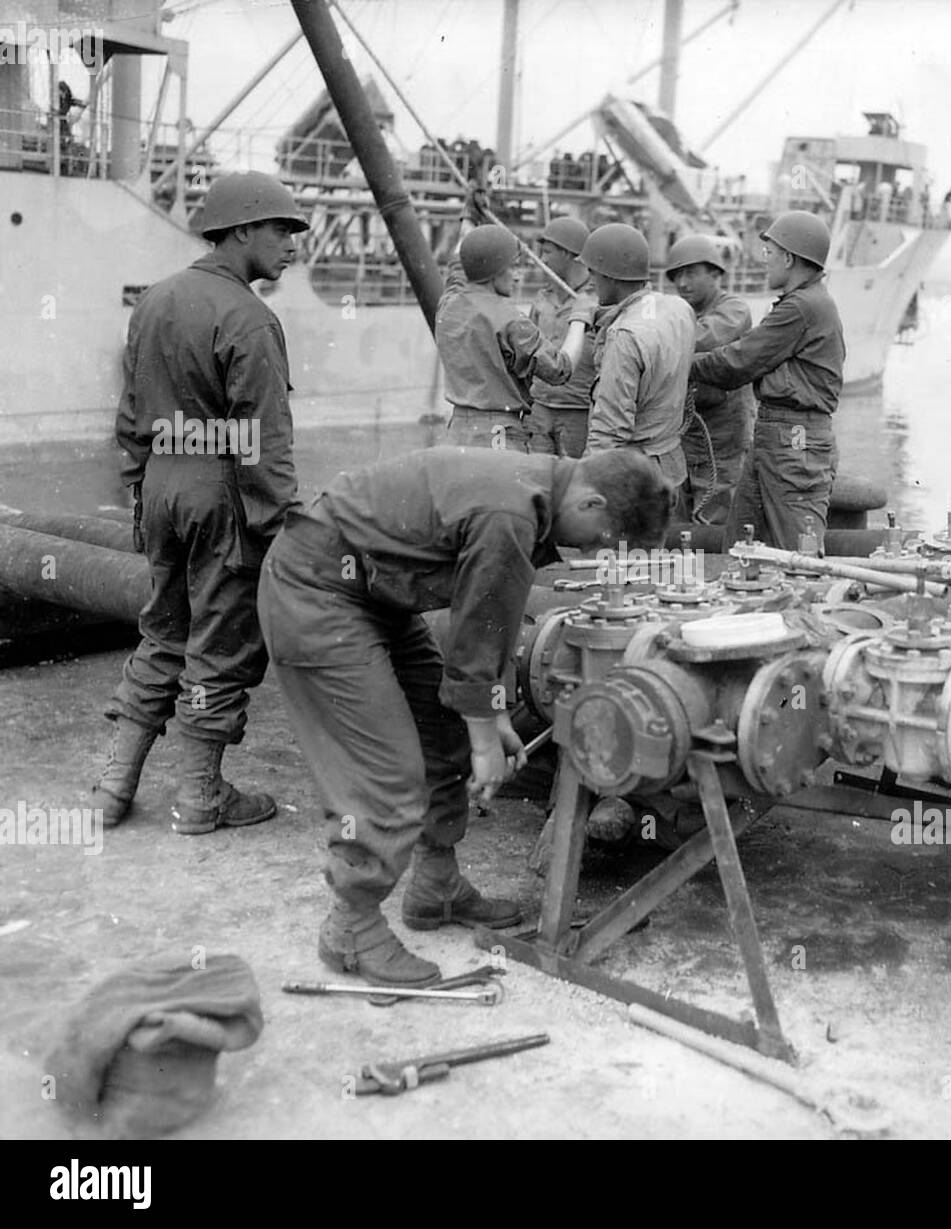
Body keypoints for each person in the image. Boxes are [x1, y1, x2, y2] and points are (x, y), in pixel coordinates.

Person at [256, 447, 674, 987]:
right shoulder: (511, 513)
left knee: (441, 729)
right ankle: (351, 927)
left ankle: (435, 886)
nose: (591, 548)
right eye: (600, 536)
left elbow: (489, 618)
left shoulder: (535, 494)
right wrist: (485, 746)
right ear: (591, 499)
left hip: (372, 592)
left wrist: (490, 717)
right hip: (316, 591)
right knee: (388, 770)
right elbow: (477, 631)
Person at [91, 172, 308, 835]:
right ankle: (200, 799)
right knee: (221, 641)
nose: (292, 245)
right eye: (281, 230)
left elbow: (130, 412)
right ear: (240, 230)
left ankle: (110, 786)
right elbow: (262, 441)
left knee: (163, 630)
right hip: (221, 493)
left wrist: (142, 482)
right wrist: (279, 526)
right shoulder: (249, 317)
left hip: (160, 483)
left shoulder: (156, 300)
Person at [689, 210, 845, 551]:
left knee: (796, 555)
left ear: (789, 258)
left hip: (795, 441)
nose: (765, 262)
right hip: (777, 436)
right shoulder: (804, 302)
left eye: (769, 253)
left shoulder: (802, 307)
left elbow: (739, 361)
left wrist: (680, 362)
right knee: (743, 546)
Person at [436, 217, 593, 452]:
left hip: (458, 431)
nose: (517, 275)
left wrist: (469, 217)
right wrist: (580, 317)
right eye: (512, 267)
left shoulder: (448, 303)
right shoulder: (512, 321)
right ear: (496, 271)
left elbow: (458, 265)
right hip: (499, 434)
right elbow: (560, 369)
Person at [580, 223, 695, 496]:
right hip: (669, 467)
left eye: (592, 271)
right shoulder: (678, 309)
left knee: (621, 542)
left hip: (633, 481)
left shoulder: (624, 336)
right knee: (657, 541)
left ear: (610, 275)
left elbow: (609, 431)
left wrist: (581, 487)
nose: (590, 281)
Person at [665, 233, 755, 524]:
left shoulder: (734, 310)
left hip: (722, 437)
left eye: (691, 273)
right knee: (677, 513)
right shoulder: (680, 313)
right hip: (685, 432)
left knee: (715, 517)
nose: (682, 283)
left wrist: (653, 334)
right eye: (677, 275)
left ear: (716, 274)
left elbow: (705, 337)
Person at [526, 216, 598, 457]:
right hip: (540, 410)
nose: (542, 260)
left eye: (548, 252)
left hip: (579, 413)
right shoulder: (541, 299)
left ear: (569, 254)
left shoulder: (597, 302)